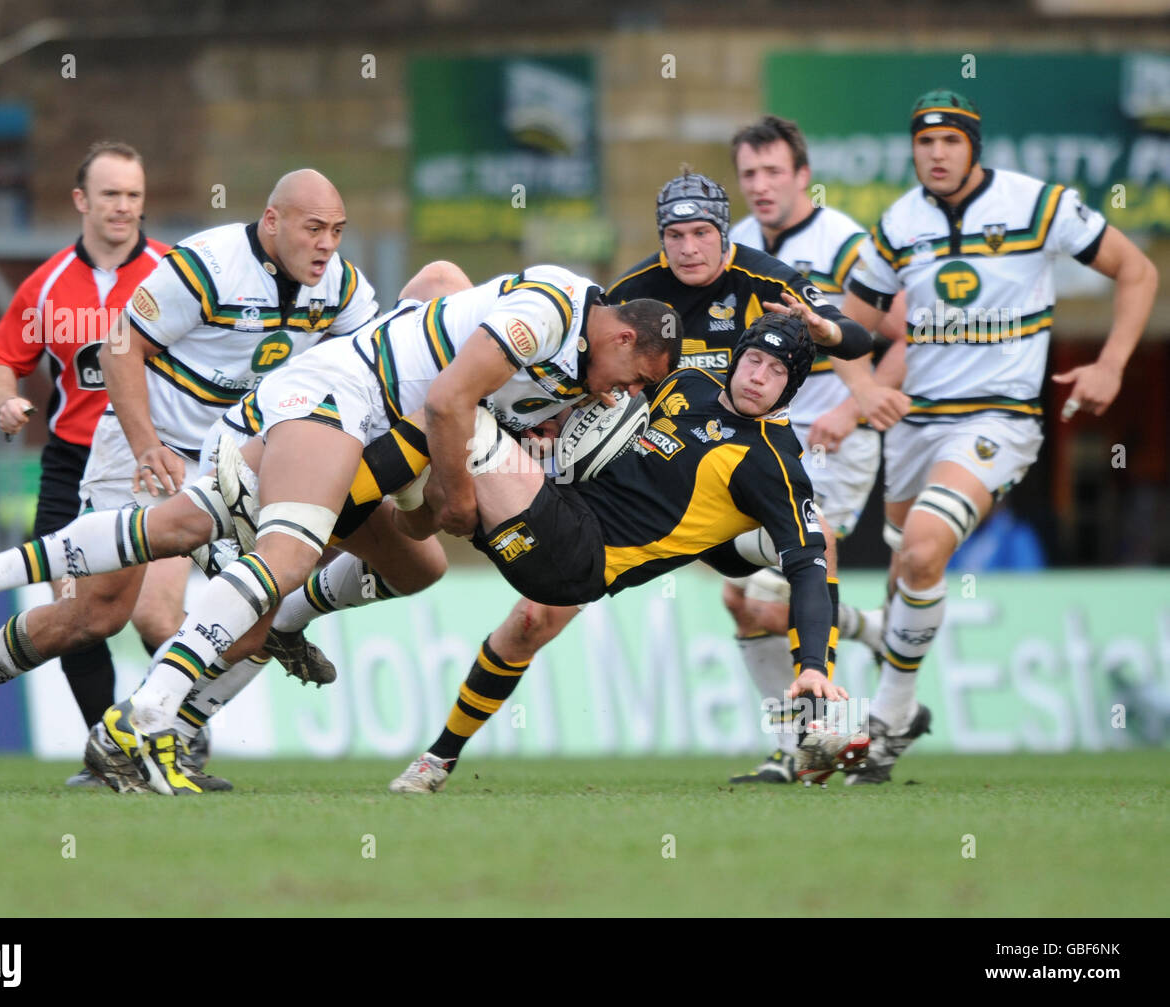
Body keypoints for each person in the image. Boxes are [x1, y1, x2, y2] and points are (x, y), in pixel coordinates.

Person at [0, 263, 680, 794]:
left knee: (415, 569)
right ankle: (147, 713)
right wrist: (458, 488)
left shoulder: (555, 350)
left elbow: (439, 288)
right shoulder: (216, 265)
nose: (618, 397)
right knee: (160, 588)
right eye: (631, 380)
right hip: (302, 411)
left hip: (352, 434)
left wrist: (456, 474)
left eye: (334, 234)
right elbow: (445, 399)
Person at [0, 169, 448, 792]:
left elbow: (365, 367)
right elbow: (120, 347)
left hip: (237, 455)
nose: (326, 245)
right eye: (313, 229)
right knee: (93, 616)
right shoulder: (207, 264)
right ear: (272, 221)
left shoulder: (343, 288)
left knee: (254, 621)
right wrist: (146, 444)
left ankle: (142, 735)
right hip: (148, 446)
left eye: (337, 232)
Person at [389, 169, 879, 793]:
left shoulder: (769, 287)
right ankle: (439, 756)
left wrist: (828, 331)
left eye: (702, 233)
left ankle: (812, 711)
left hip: (720, 513)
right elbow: (581, 374)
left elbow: (860, 337)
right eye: (675, 235)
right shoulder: (643, 309)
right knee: (529, 623)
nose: (689, 248)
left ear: (725, 235)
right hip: (612, 503)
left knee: (812, 549)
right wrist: (553, 425)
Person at [838, 89, 1157, 782]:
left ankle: (889, 715)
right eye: (926, 142)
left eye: (951, 141)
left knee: (923, 551)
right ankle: (886, 661)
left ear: (974, 147)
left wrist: (1111, 363)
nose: (938, 153)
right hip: (916, 424)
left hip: (997, 421)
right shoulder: (899, 223)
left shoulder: (1036, 204)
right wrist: (862, 387)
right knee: (906, 576)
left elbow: (1137, 270)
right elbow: (849, 322)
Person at [722, 116, 911, 784]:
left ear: (804, 176)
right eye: (749, 174)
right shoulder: (736, 245)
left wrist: (853, 407)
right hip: (766, 439)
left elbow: (906, 330)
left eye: (774, 172)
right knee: (743, 602)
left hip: (836, 433)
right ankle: (875, 633)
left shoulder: (845, 243)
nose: (761, 185)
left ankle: (810, 737)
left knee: (812, 546)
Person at [0, 140, 168, 785]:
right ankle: (107, 757)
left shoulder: (176, 274)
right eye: (111, 194)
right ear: (82, 200)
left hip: (151, 466)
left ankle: (179, 740)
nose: (123, 208)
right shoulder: (50, 282)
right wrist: (6, 403)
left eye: (134, 196)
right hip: (70, 465)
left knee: (156, 616)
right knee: (72, 617)